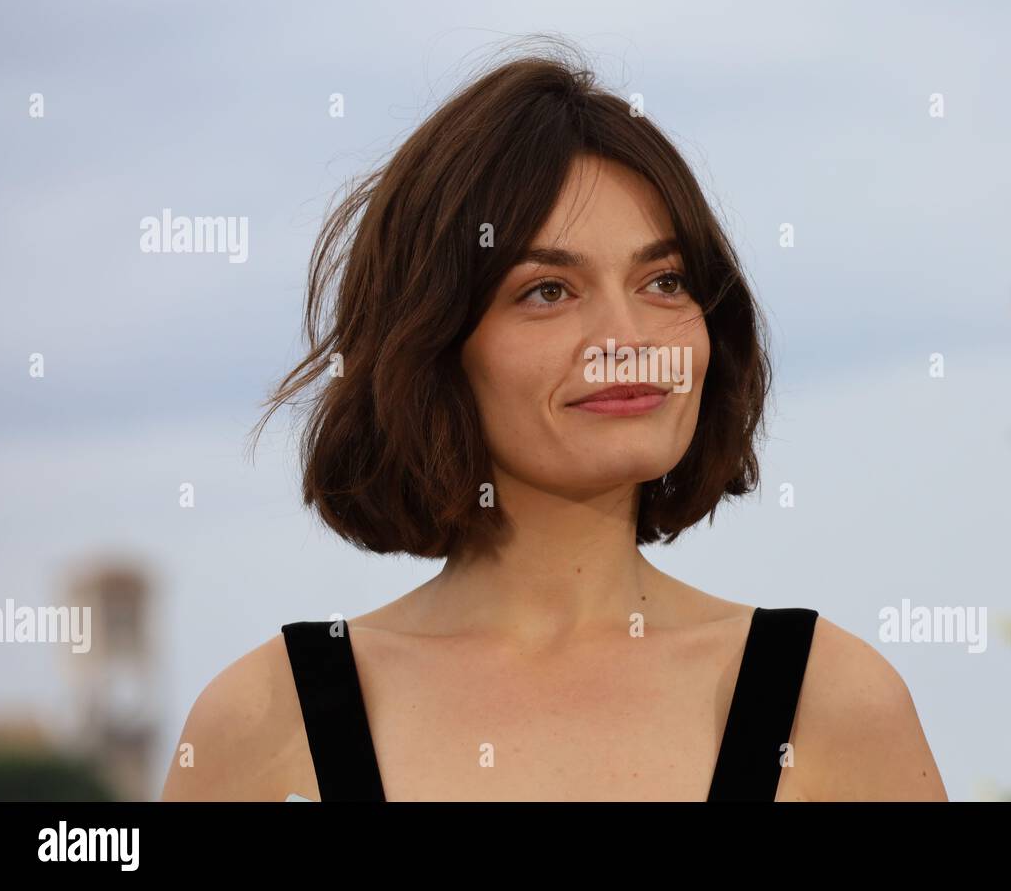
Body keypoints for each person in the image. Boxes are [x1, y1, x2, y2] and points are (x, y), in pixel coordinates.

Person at [160, 44, 947, 802]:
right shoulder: (264, 721)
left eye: (665, 281)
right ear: (432, 345)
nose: (626, 341)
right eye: (548, 291)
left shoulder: (831, 704)